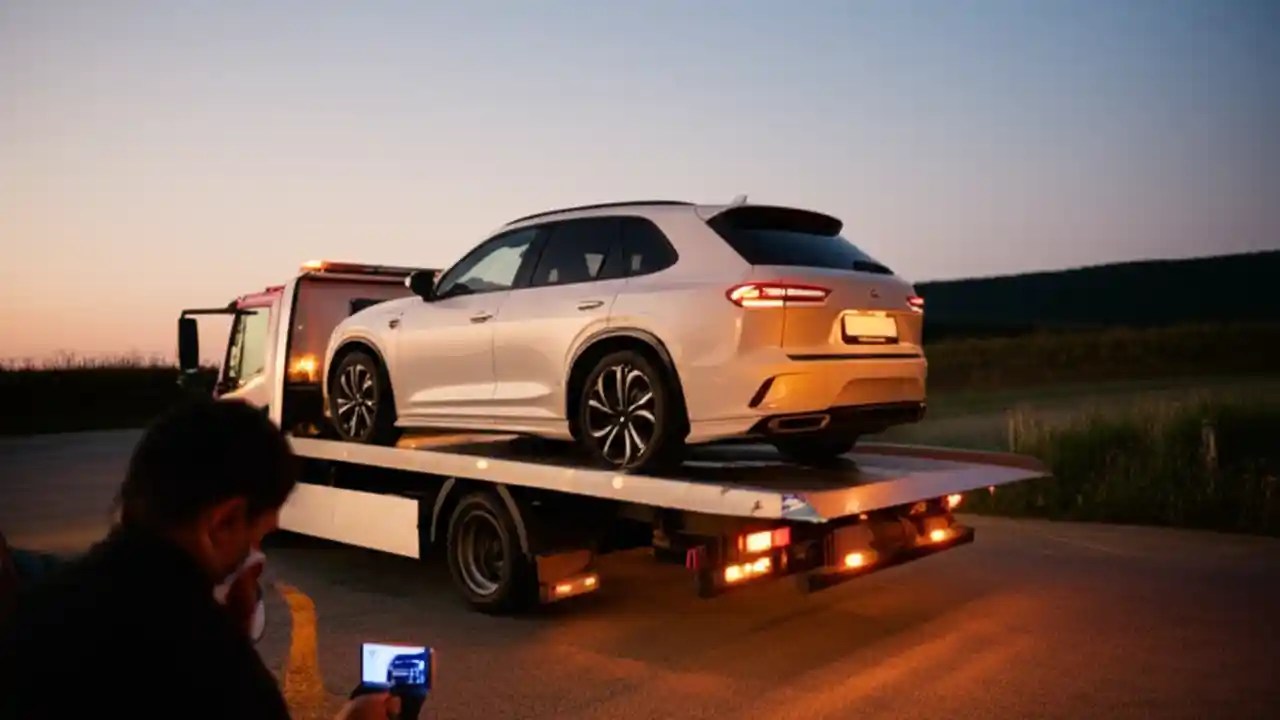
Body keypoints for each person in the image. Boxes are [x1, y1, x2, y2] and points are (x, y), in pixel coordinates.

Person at [0, 398, 405, 720]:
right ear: (224, 521)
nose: (255, 556)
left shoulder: (37, 607)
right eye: (257, 536)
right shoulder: (223, 678)